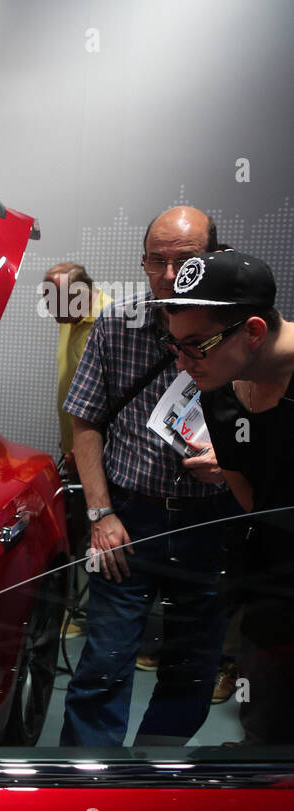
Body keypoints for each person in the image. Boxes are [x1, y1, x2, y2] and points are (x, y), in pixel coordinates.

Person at [59, 205, 235, 747]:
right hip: (129, 519)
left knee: (192, 666)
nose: (166, 274)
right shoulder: (119, 324)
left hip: (210, 521)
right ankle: (88, 792)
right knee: (104, 661)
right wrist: (99, 512)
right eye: (154, 261)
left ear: (212, 259)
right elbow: (85, 419)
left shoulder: (238, 331)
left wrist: (231, 465)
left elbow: (269, 426)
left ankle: (154, 779)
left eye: (181, 261)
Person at [158, 249, 293, 742]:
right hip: (275, 601)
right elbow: (254, 502)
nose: (182, 361)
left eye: (196, 345)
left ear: (253, 332)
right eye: (175, 345)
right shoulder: (218, 388)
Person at [42, 262, 111, 471]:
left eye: (55, 301)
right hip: (73, 448)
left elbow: (118, 401)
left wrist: (85, 448)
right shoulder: (69, 317)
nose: (48, 307)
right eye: (47, 299)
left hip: (99, 453)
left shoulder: (111, 321)